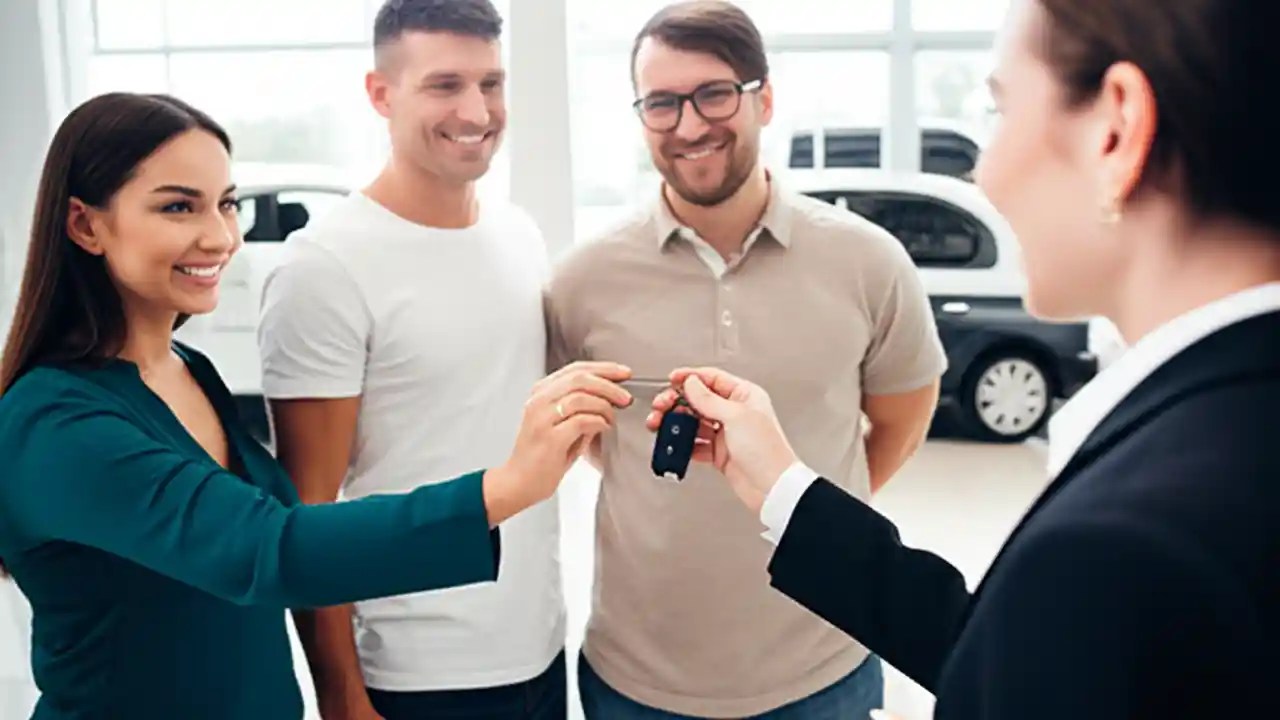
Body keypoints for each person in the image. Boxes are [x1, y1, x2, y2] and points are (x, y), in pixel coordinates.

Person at [646, 0, 1280, 717]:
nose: (986, 174)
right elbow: (1021, 653)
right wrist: (784, 486)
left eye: (1001, 110)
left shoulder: (1124, 546)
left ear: (1116, 130)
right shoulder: (1231, 433)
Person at [0, 91, 632, 720]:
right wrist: (506, 486)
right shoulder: (53, 423)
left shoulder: (189, 370)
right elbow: (268, 547)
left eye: (225, 204)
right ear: (85, 224)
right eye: (177, 207)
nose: (220, 237)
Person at [543, 2, 947, 717]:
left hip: (824, 664)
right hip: (639, 677)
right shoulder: (583, 279)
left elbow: (900, 423)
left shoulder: (868, 261)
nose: (690, 125)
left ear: (764, 96)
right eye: (662, 103)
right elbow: (589, 443)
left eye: (715, 93)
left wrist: (801, 510)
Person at [256, 1, 578, 719]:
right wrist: (341, 692)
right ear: (381, 93)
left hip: (542, 648)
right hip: (411, 674)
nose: (477, 109)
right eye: (445, 85)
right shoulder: (325, 266)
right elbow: (308, 512)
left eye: (491, 84)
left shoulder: (518, 233)